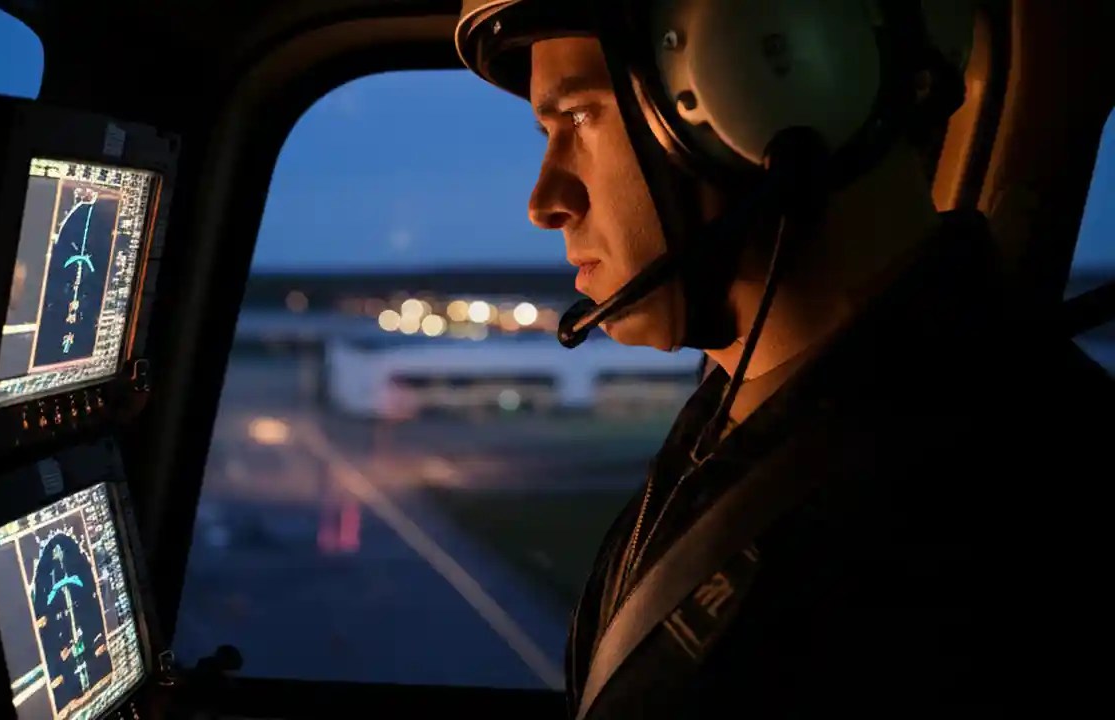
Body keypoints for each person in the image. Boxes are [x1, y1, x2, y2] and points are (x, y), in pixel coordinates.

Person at [455, 0, 1114, 716]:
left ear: (785, 80)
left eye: (579, 117)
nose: (544, 201)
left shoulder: (983, 521)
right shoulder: (746, 424)